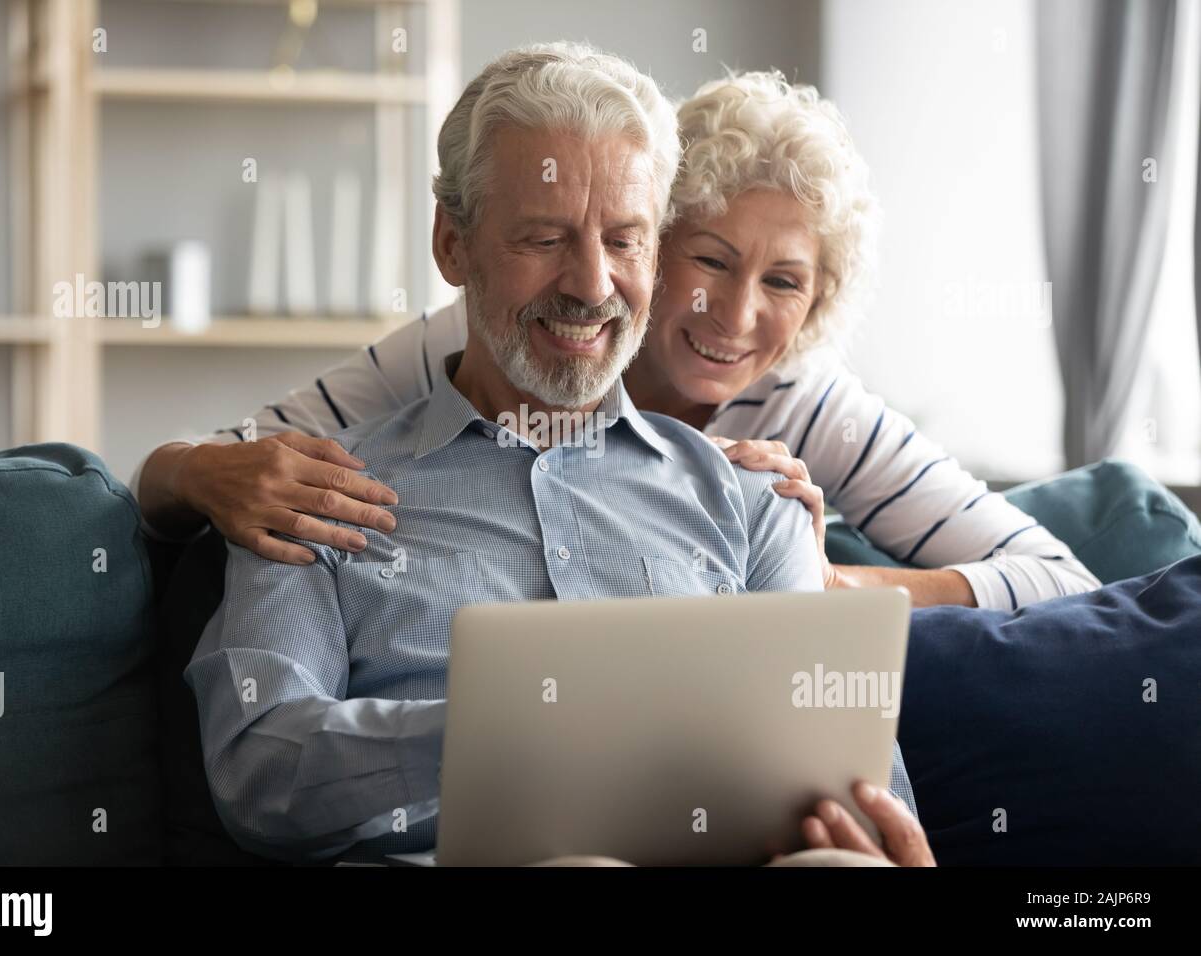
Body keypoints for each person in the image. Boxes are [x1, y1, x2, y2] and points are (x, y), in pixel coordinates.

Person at [185, 42, 931, 866]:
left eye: (625, 240)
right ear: (452, 245)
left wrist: (878, 843)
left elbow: (859, 787)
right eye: (544, 238)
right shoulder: (312, 494)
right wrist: (495, 731)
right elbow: (258, 770)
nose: (590, 284)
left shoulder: (751, 504)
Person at [133, 70, 1098, 612]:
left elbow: (1057, 579)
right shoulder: (493, 338)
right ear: (652, 240)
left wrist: (823, 579)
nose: (737, 317)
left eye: (784, 282)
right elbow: (216, 462)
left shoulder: (806, 401)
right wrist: (190, 472)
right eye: (710, 260)